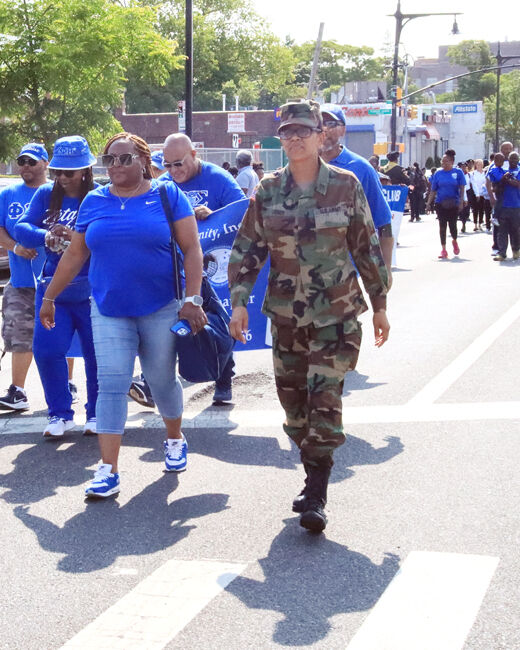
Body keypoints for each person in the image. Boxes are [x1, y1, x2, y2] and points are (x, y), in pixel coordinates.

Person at [227, 99, 391, 534]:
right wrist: (239, 300)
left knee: (324, 399)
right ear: (280, 139)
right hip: (285, 318)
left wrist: (380, 305)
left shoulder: (345, 184)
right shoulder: (267, 190)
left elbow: (366, 247)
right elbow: (247, 249)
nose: (295, 139)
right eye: (288, 133)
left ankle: (317, 490)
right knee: (294, 408)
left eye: (303, 131)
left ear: (322, 136)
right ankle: (311, 469)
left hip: (336, 315)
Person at [40, 132, 206, 498]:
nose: (115, 166)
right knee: (112, 382)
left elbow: (192, 248)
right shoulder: (95, 201)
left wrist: (192, 298)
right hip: (108, 308)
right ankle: (108, 469)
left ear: (143, 161)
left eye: (124, 158)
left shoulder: (166, 195)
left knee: (160, 380)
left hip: (160, 306)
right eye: (109, 159)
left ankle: (175, 438)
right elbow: (75, 255)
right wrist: (50, 295)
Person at [15, 136, 100, 438]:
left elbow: (109, 234)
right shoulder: (44, 195)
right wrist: (46, 234)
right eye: (58, 172)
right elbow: (22, 230)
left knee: (96, 355)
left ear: (86, 171)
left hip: (92, 290)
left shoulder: (100, 196)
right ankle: (60, 414)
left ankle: (96, 413)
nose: (62, 178)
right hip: (54, 290)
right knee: (48, 351)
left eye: (70, 172)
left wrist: (76, 235)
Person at [155, 132, 245, 405]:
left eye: (178, 164)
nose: (173, 171)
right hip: (174, 269)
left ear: (195, 155)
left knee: (217, 322)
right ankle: (156, 383)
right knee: (167, 326)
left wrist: (213, 215)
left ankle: (223, 379)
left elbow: (242, 212)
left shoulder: (218, 179)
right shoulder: (163, 184)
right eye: (167, 165)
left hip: (212, 266)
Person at [0, 143, 48, 412]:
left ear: (45, 164)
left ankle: (68, 385)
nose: (25, 166)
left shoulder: (56, 193)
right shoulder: (9, 194)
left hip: (56, 279)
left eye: (32, 161)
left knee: (59, 334)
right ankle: (18, 392)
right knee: (21, 335)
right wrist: (16, 247)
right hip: (21, 282)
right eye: (21, 161)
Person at [318, 105, 395, 270]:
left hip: (350, 274)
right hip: (310, 274)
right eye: (319, 123)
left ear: (343, 130)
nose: (324, 129)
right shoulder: (302, 167)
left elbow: (383, 223)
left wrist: (386, 269)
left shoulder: (361, 168)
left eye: (331, 123)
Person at [427, 150, 467, 260]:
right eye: (442, 161)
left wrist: (461, 202)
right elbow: (433, 190)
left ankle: (454, 240)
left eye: (447, 161)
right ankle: (443, 249)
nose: (444, 163)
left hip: (453, 203)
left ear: (452, 162)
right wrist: (428, 203)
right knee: (442, 226)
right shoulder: (438, 173)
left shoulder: (458, 172)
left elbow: (462, 187)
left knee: (453, 226)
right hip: (441, 203)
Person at [490, 151, 520, 261]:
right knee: (502, 230)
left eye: (516, 159)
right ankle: (502, 253)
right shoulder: (503, 170)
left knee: (516, 229)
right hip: (503, 204)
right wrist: (502, 180)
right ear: (508, 160)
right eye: (512, 159)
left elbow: (519, 184)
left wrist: (507, 179)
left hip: (516, 204)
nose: (514, 161)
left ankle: (516, 249)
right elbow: (495, 185)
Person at [469, 159, 490, 231]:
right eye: (478, 164)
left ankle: (480, 224)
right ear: (476, 165)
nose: (479, 166)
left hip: (483, 194)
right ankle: (475, 224)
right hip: (475, 194)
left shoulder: (485, 173)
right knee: (475, 209)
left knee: (482, 209)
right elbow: (473, 184)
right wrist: (477, 194)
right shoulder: (473, 173)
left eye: (481, 164)